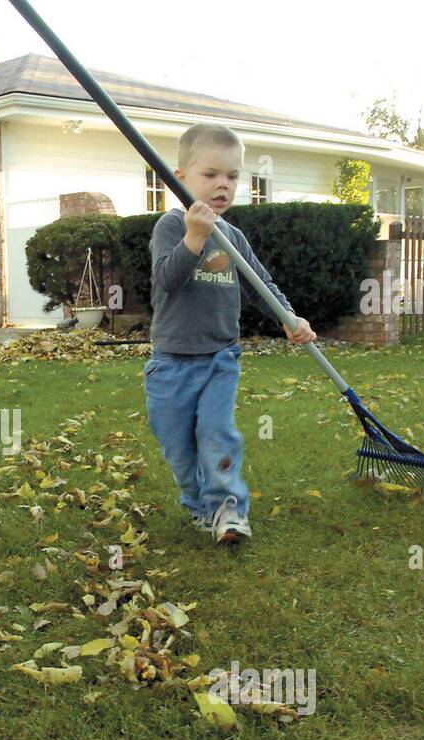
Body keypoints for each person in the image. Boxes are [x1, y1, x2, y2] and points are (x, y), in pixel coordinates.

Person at [147, 122, 317, 545]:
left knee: (217, 434)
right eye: (211, 175)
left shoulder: (234, 237)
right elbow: (166, 281)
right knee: (179, 449)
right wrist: (194, 238)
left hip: (220, 358)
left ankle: (229, 509)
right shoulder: (171, 227)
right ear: (180, 177)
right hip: (171, 362)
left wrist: (289, 317)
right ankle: (198, 504)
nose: (223, 185)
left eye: (233, 176)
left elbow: (261, 284)